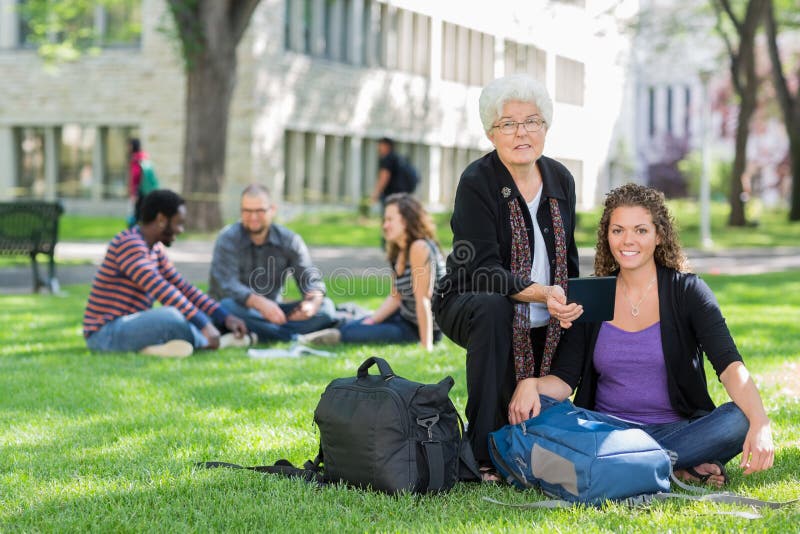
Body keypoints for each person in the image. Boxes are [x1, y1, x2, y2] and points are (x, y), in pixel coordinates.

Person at [530, 183, 774, 487]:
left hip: (679, 429)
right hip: (606, 431)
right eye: (618, 230)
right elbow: (565, 379)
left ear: (659, 236)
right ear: (607, 236)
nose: (628, 240)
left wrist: (760, 421)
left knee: (738, 419)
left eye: (640, 230)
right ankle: (674, 464)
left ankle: (639, 463)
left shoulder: (687, 291)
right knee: (544, 410)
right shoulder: (592, 294)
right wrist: (532, 387)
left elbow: (729, 365)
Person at [432, 74, 583, 479]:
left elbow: (567, 261)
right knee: (494, 308)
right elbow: (481, 270)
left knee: (587, 320)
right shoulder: (477, 181)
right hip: (469, 297)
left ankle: (583, 421)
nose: (521, 133)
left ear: (545, 128)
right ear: (491, 133)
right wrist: (542, 293)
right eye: (508, 124)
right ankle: (481, 454)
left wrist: (568, 302)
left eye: (532, 121)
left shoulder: (561, 180)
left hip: (540, 306)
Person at [83, 190, 251, 358]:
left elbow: (182, 287)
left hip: (129, 326)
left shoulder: (155, 248)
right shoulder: (129, 245)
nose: (181, 230)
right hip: (104, 334)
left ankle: (154, 348)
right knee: (172, 316)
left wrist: (224, 316)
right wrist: (204, 325)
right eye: (179, 223)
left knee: (192, 312)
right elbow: (162, 290)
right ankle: (216, 340)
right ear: (161, 220)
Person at [300, 193, 446, 351]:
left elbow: (424, 299)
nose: (385, 225)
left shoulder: (419, 247)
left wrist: (426, 346)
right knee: (355, 324)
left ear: (406, 220)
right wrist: (372, 320)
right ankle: (349, 319)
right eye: (385, 220)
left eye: (390, 220)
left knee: (349, 333)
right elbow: (395, 297)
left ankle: (333, 332)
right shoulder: (399, 250)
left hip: (422, 328)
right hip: (403, 317)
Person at [208, 184, 337, 343]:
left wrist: (312, 303)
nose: (253, 217)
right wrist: (260, 303)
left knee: (326, 308)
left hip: (275, 311)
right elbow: (227, 284)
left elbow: (309, 278)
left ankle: (257, 335)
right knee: (227, 306)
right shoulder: (227, 238)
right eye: (247, 211)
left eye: (259, 211)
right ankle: (297, 337)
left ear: (272, 210)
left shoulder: (289, 240)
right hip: (239, 310)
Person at [369, 137, 418, 207]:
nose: (378, 148)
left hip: (391, 194)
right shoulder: (398, 157)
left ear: (386, 146)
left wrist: (376, 193)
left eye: (380, 145)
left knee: (389, 214)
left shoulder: (387, 158)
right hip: (403, 193)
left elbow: (384, 177)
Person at [127, 138, 159, 227]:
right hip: (147, 191)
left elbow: (135, 176)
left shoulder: (136, 159)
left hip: (140, 192)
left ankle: (133, 234)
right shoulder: (145, 158)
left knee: (136, 215)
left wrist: (134, 193)